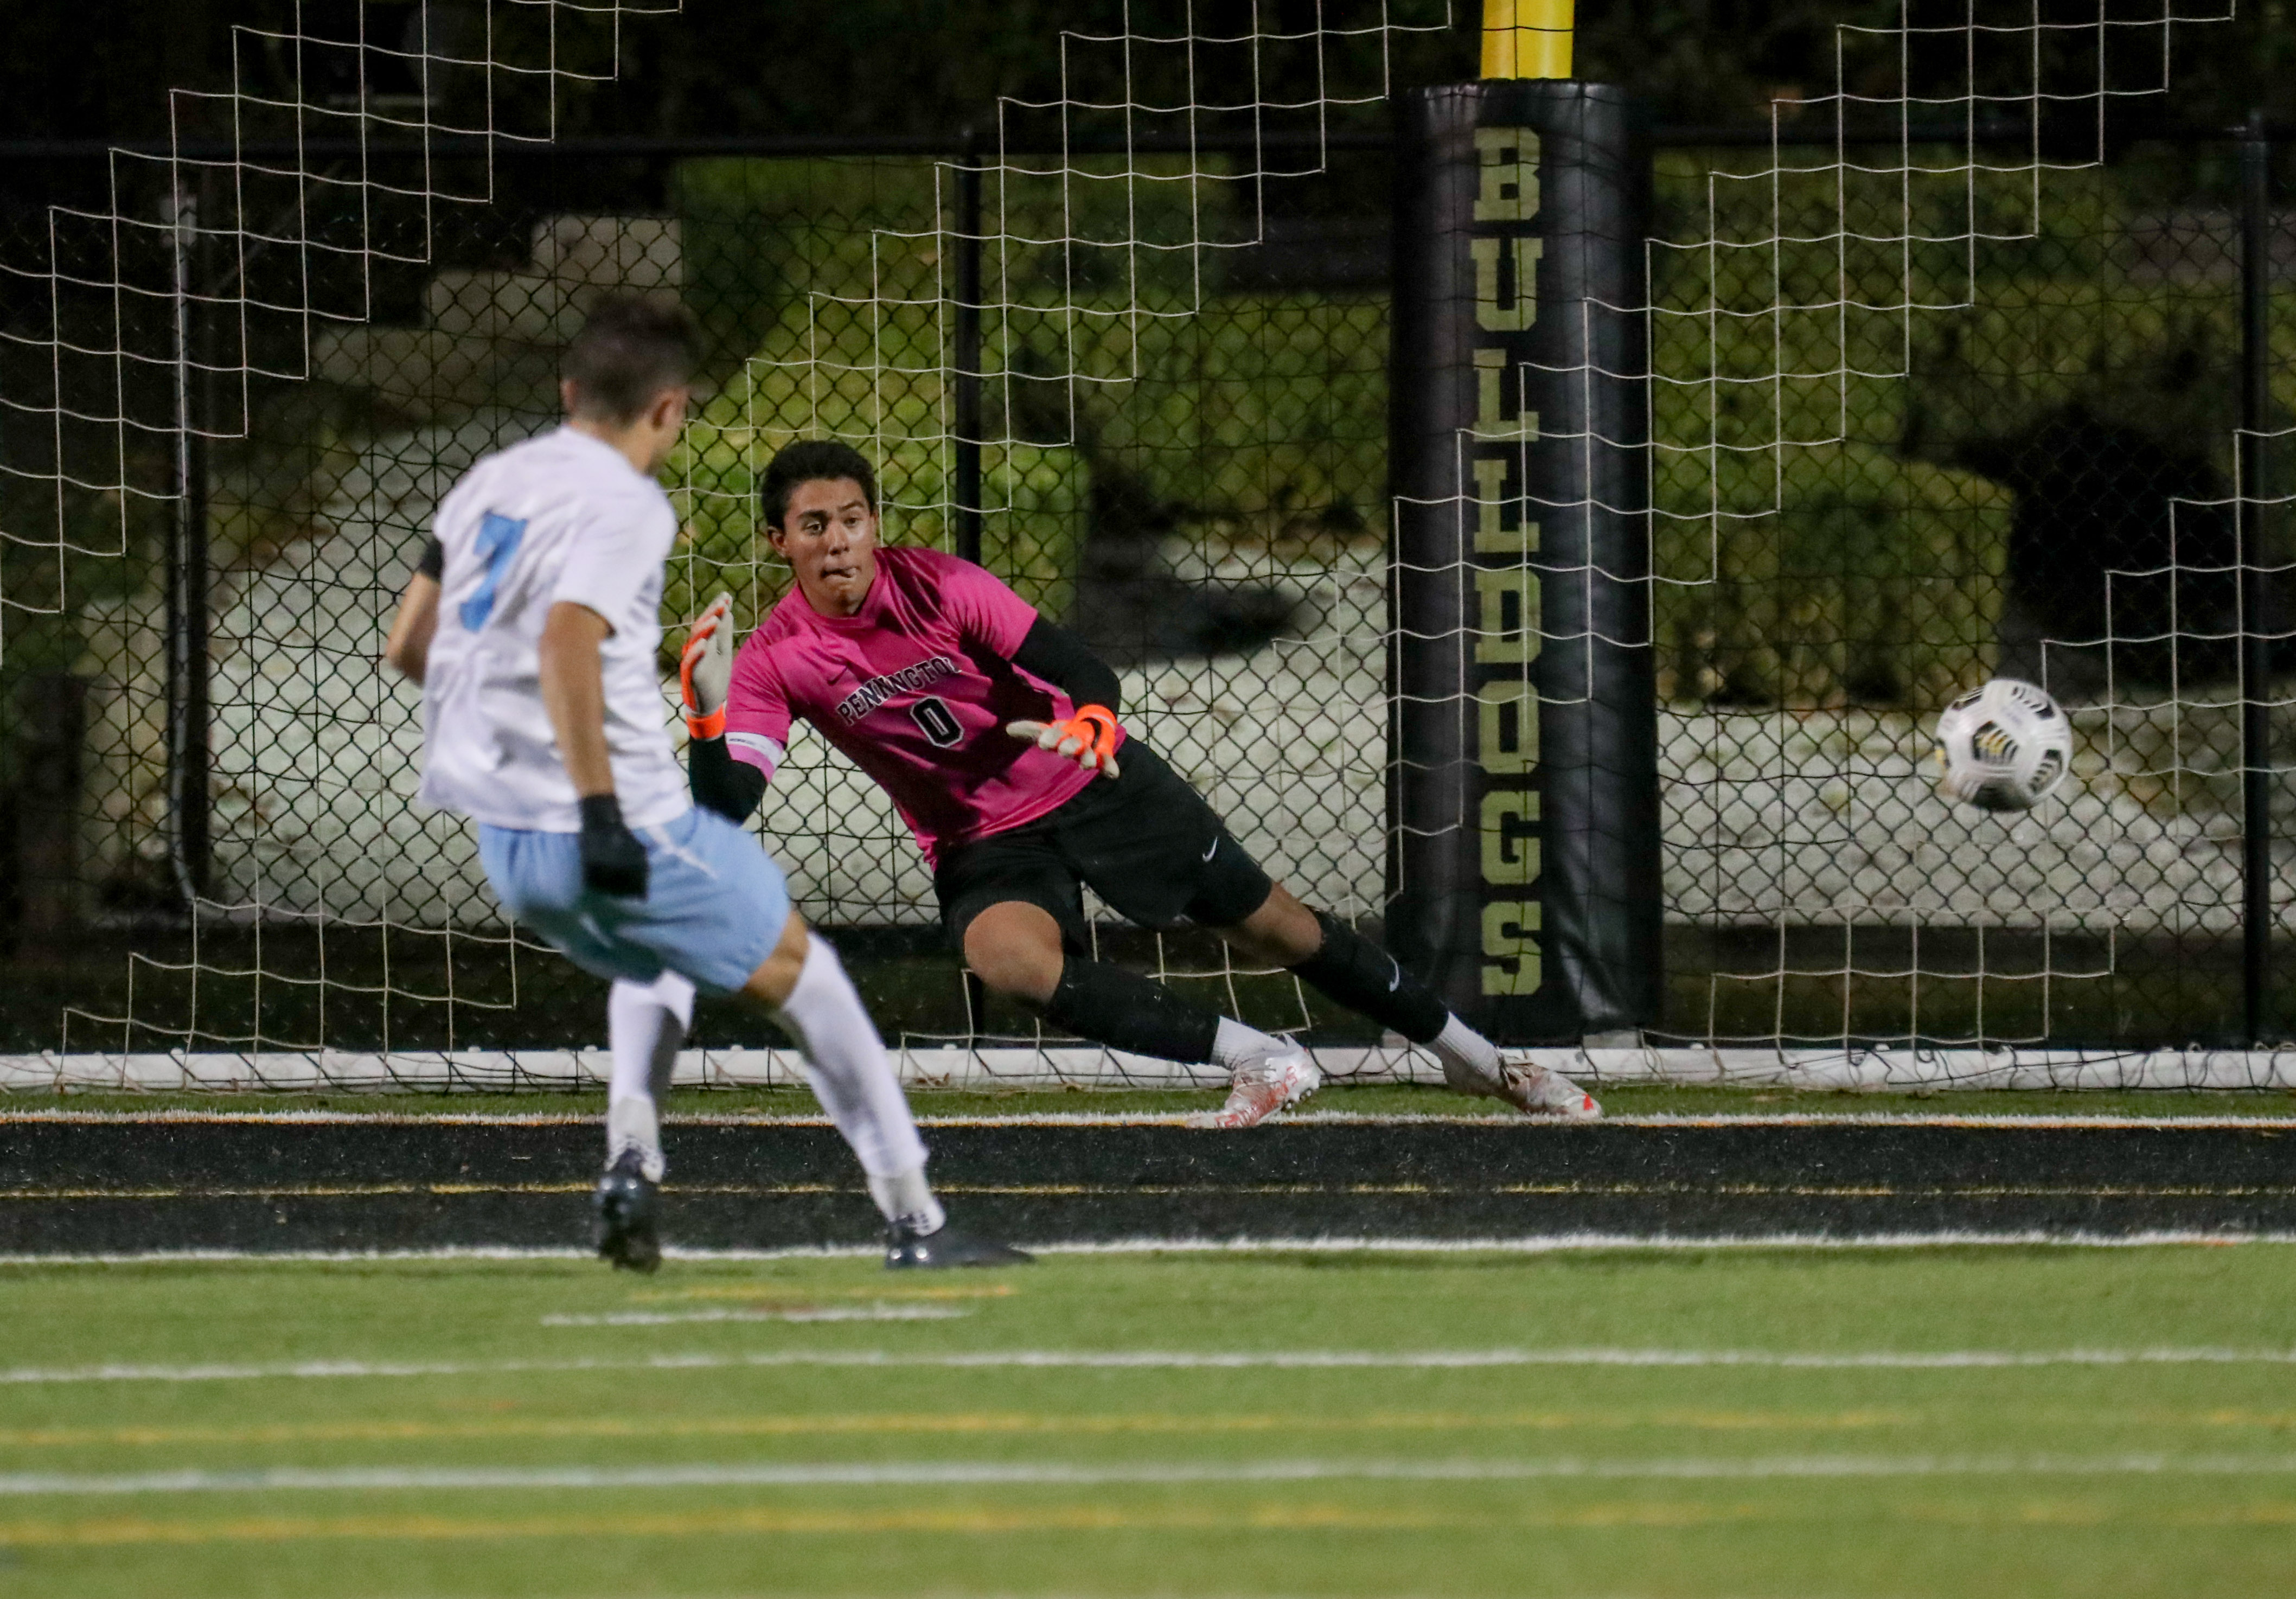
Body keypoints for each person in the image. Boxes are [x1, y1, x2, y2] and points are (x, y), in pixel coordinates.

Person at [674, 438, 1601, 1129]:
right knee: (1007, 961)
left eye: (851, 519)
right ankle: (1258, 1061)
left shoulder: (946, 584)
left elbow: (1081, 667)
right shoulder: (773, 659)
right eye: (813, 526)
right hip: (981, 841)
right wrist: (709, 712)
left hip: (1095, 783)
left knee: (1281, 929)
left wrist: (1090, 722)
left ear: (873, 523)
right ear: (777, 542)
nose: (837, 540)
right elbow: (727, 807)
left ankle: (1481, 1062)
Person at [381, 300, 1027, 1270]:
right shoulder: (628, 504)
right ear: (671, 409)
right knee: (814, 985)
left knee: (653, 959)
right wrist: (598, 806)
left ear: (569, 394)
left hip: (508, 844)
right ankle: (917, 1223)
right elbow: (567, 636)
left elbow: (409, 645)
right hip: (617, 820)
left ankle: (631, 1159)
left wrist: (513, 739)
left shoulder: (490, 481)